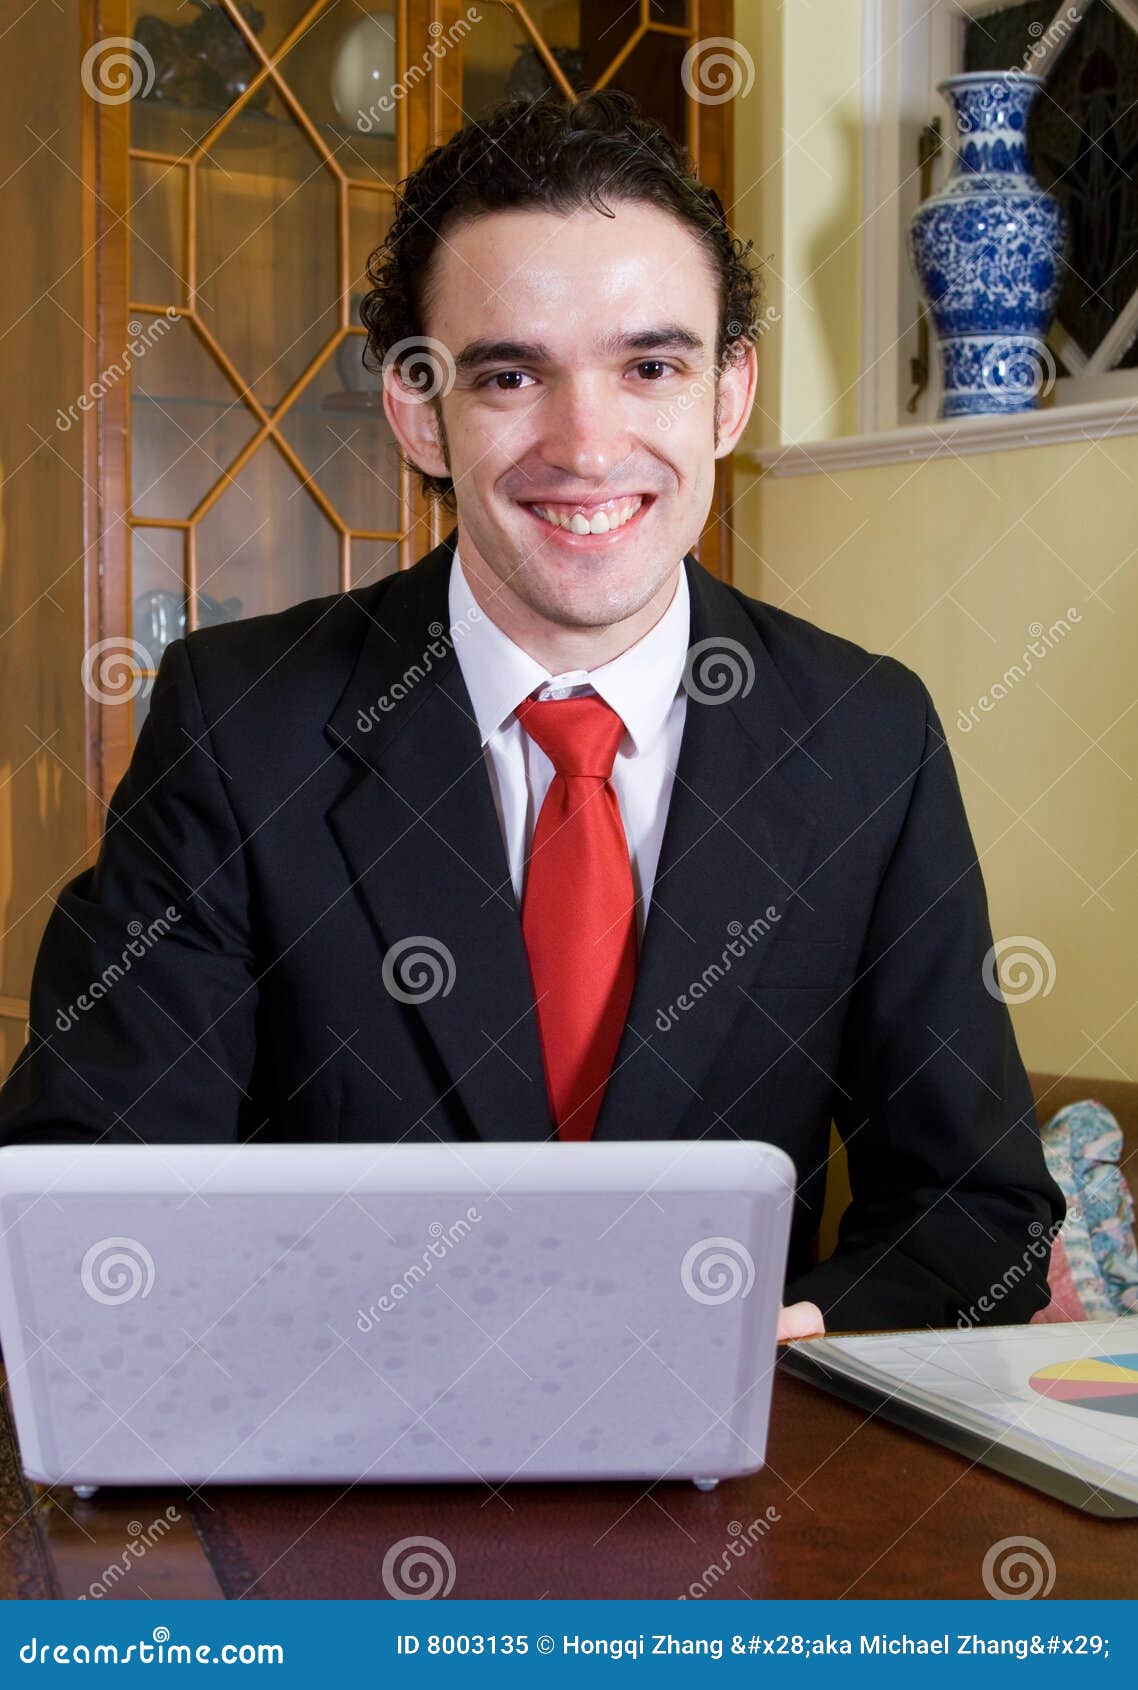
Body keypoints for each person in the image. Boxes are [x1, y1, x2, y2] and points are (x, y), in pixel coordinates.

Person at [0, 91, 1063, 1338]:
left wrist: (799, 1335)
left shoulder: (867, 736)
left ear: (726, 395)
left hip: (738, 1440)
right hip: (345, 1438)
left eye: (650, 367)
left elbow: (974, 1207)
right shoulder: (239, 726)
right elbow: (92, 1185)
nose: (588, 446)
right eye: (511, 375)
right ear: (418, 410)